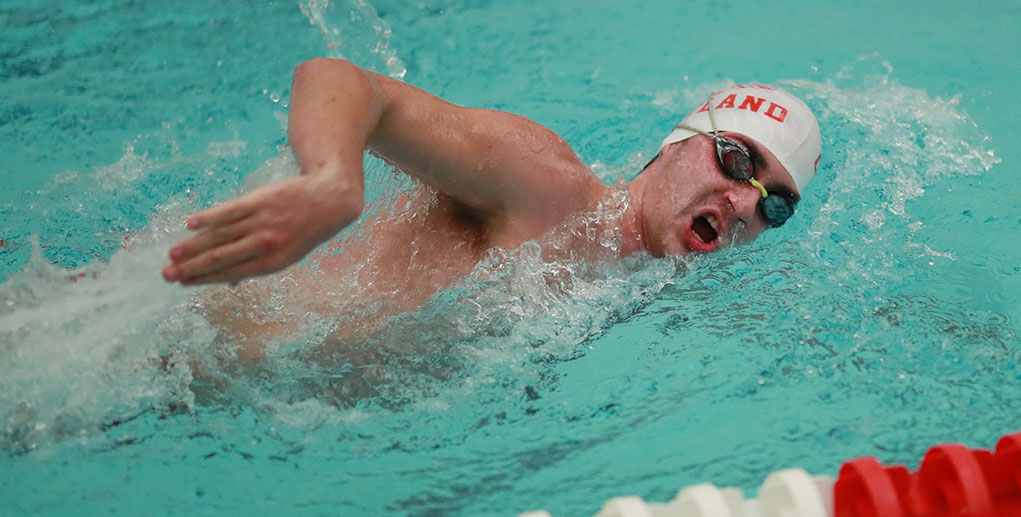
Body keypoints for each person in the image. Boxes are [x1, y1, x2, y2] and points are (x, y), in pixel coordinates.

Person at [161, 58, 821, 342]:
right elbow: (343, 82)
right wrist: (332, 181)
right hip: (163, 338)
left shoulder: (645, 289)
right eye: (735, 159)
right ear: (675, 145)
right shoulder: (549, 186)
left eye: (775, 205)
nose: (742, 202)